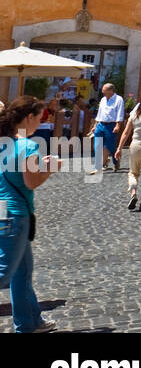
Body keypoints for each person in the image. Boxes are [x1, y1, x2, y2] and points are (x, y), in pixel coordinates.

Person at [0, 97, 60, 333]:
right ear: (29, 118)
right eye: (41, 117)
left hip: (3, 208)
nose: (42, 121)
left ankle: (29, 322)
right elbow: (31, 182)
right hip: (16, 214)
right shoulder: (28, 146)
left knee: (22, 272)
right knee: (4, 273)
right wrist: (50, 169)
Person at [91, 82, 126, 173]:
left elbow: (120, 112)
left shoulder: (119, 99)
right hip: (100, 124)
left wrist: (118, 125)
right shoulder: (103, 99)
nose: (103, 93)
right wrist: (95, 125)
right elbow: (100, 112)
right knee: (97, 145)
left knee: (111, 146)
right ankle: (98, 166)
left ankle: (116, 161)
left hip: (111, 125)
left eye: (104, 91)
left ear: (111, 90)